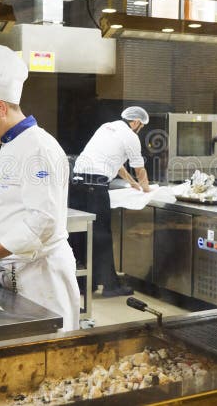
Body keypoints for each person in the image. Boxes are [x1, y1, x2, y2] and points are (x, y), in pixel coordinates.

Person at [0, 44, 80, 332]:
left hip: (40, 280)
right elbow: (18, 203)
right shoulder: (13, 144)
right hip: (16, 275)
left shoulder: (37, 146)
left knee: (50, 360)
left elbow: (43, 221)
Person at [70, 106, 151, 297]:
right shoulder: (131, 136)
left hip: (77, 184)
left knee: (81, 235)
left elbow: (118, 164)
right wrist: (148, 189)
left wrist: (131, 183)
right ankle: (110, 286)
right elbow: (139, 168)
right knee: (102, 236)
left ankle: (83, 284)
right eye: (141, 126)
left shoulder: (107, 127)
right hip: (95, 187)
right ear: (137, 122)